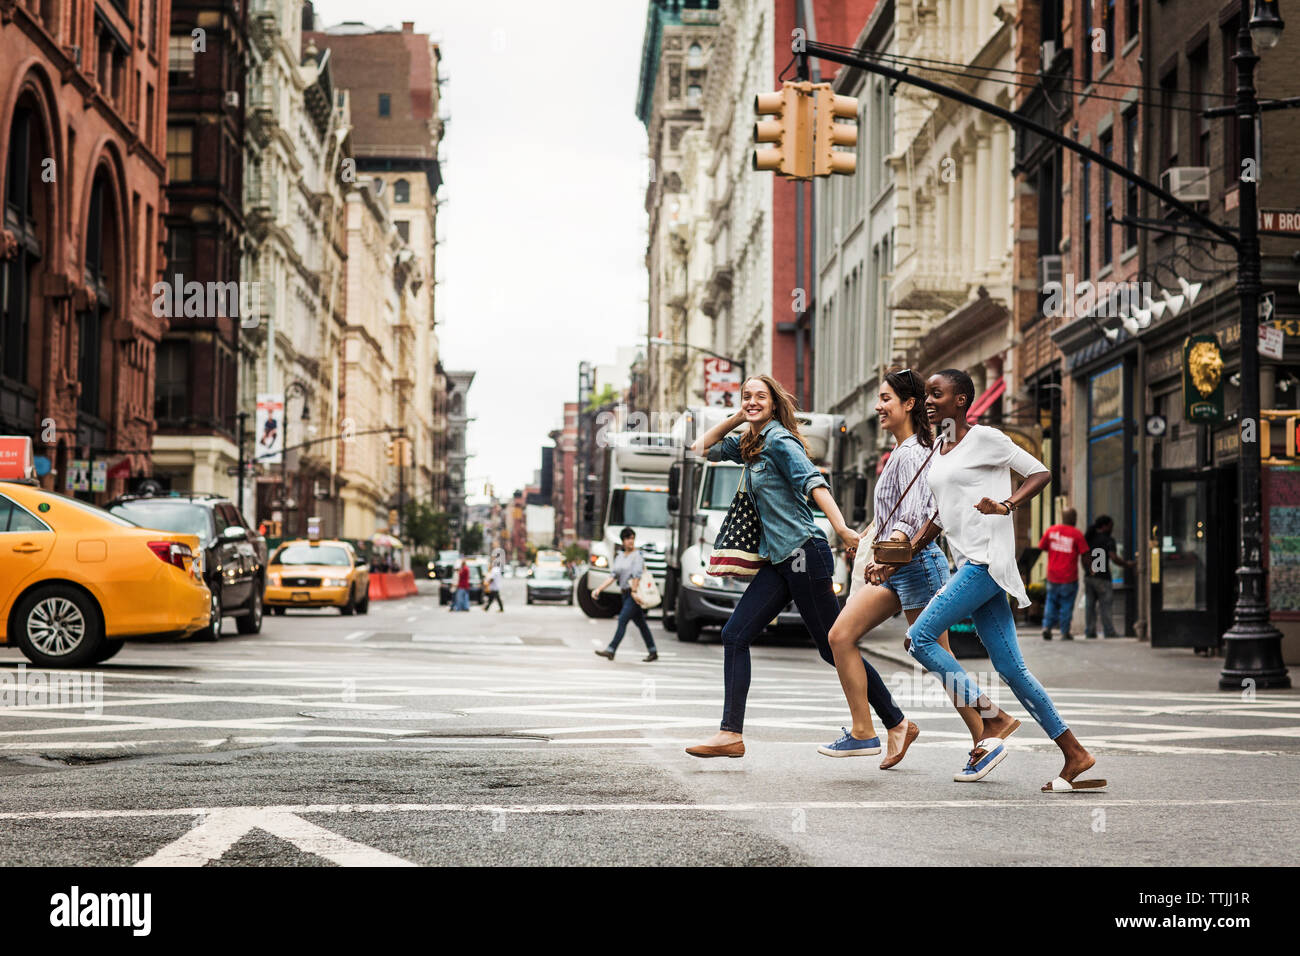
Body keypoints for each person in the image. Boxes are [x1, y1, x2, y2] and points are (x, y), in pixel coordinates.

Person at [683, 375, 909, 761]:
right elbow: (695, 449)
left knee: (833, 647)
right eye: (746, 396)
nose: (752, 402)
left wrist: (841, 529)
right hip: (779, 560)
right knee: (735, 634)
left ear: (774, 403)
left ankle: (897, 722)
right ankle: (730, 734)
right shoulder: (751, 443)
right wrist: (738, 416)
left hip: (805, 553)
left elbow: (814, 483)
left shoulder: (780, 440)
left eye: (760, 397)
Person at [903, 369, 1104, 793]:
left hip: (986, 562)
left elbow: (1039, 472)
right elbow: (941, 514)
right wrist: (902, 553)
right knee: (1012, 668)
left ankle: (990, 716)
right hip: (969, 562)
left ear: (962, 401)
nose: (929, 401)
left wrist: (1007, 504)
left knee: (920, 638)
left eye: (937, 394)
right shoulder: (939, 448)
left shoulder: (986, 439)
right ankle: (1074, 752)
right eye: (927, 395)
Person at [840, 370, 1019, 765]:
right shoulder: (905, 451)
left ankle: (986, 731)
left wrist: (887, 558)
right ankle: (874, 728)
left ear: (908, 404)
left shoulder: (915, 451)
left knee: (935, 655)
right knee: (841, 635)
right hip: (898, 566)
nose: (878, 406)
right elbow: (897, 512)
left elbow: (919, 513)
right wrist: (870, 539)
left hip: (917, 564)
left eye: (886, 398)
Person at [591, 527, 658, 662]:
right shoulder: (620, 556)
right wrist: (599, 589)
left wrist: (633, 592)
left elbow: (637, 575)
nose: (630, 541)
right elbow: (613, 576)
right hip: (625, 594)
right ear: (622, 541)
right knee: (641, 624)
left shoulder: (637, 556)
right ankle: (652, 650)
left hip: (634, 594)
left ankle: (611, 649)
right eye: (628, 538)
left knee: (622, 620)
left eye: (632, 538)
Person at [1038, 507, 1090, 641]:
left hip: (1052, 575)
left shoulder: (1051, 531)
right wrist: (1089, 570)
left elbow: (1042, 546)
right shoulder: (1076, 534)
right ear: (1073, 518)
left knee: (1051, 602)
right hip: (1069, 577)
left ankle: (1047, 628)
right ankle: (1064, 632)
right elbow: (1085, 555)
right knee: (1066, 605)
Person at [1084, 515, 1134, 638]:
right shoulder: (1108, 540)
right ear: (1105, 526)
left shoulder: (1090, 538)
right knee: (1105, 606)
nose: (1112, 528)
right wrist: (1127, 564)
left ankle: (1090, 631)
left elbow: (1084, 556)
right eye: (1111, 526)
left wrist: (1089, 570)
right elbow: (1113, 557)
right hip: (1102, 577)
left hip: (1089, 576)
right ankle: (1109, 631)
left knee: (1090, 606)